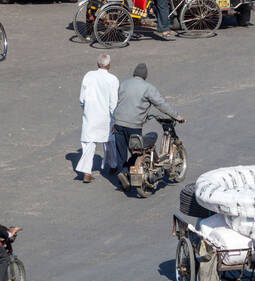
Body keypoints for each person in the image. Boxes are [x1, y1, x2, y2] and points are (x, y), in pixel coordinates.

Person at [111, 62, 183, 190]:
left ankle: (123, 175)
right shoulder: (148, 87)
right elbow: (161, 104)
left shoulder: (124, 84)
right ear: (145, 76)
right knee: (137, 151)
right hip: (133, 125)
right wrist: (177, 116)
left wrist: (114, 122)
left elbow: (118, 102)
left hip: (118, 123)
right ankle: (126, 171)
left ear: (134, 73)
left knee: (120, 152)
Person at [77, 53, 119, 182]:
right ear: (109, 65)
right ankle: (113, 165)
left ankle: (87, 172)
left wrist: (85, 109)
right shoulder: (113, 79)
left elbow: (82, 98)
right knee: (110, 142)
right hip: (106, 116)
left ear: (97, 64)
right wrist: (115, 118)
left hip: (90, 115)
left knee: (89, 143)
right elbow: (114, 101)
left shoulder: (89, 75)